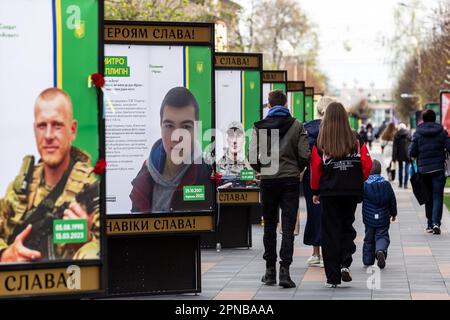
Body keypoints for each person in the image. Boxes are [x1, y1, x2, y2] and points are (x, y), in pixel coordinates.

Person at [0, 88, 100, 262]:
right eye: (41, 126)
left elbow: (112, 256)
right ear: (34, 130)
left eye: (57, 125)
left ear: (73, 130)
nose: (48, 136)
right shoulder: (22, 186)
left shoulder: (92, 192)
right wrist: (5, 255)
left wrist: (87, 242)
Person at [249, 89, 309, 288]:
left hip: (268, 182)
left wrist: (264, 169)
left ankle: (269, 271)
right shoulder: (297, 125)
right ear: (285, 105)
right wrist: (296, 168)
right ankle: (285, 271)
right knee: (288, 226)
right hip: (290, 181)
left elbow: (252, 157)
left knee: (269, 225)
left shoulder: (259, 127)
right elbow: (304, 154)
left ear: (268, 105)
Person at [310, 102, 372, 287]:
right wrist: (358, 179)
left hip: (330, 192)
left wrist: (315, 191)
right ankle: (345, 262)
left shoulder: (321, 141)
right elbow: (367, 165)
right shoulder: (355, 138)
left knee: (330, 231)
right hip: (351, 190)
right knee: (347, 226)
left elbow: (316, 168)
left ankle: (333, 275)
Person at [130, 87, 213, 213]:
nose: (176, 137)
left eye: (185, 126)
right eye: (169, 126)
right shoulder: (145, 174)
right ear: (160, 126)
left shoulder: (207, 177)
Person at [302, 95, 335, 267]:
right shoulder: (335, 129)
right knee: (331, 215)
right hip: (331, 177)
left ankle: (316, 254)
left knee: (313, 214)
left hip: (310, 177)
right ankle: (330, 252)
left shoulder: (306, 128)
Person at [409, 109, 450, 235]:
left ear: (423, 118)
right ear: (434, 118)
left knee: (428, 196)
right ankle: (436, 223)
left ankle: (429, 224)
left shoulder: (418, 133)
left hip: (423, 170)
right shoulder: (442, 132)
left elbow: (412, 152)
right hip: (438, 169)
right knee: (438, 196)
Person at [362, 159, 397, 269]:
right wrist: (393, 213)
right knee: (382, 236)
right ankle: (380, 250)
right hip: (383, 217)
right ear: (380, 171)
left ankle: (368, 261)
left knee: (369, 238)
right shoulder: (386, 185)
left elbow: (358, 199)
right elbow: (392, 200)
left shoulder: (365, 185)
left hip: (368, 218)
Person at [392, 123, 411, 188]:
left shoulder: (396, 135)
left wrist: (394, 158)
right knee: (407, 169)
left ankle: (400, 184)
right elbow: (411, 145)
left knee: (400, 168)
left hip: (399, 154)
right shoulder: (409, 134)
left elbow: (394, 147)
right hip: (407, 154)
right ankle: (405, 184)